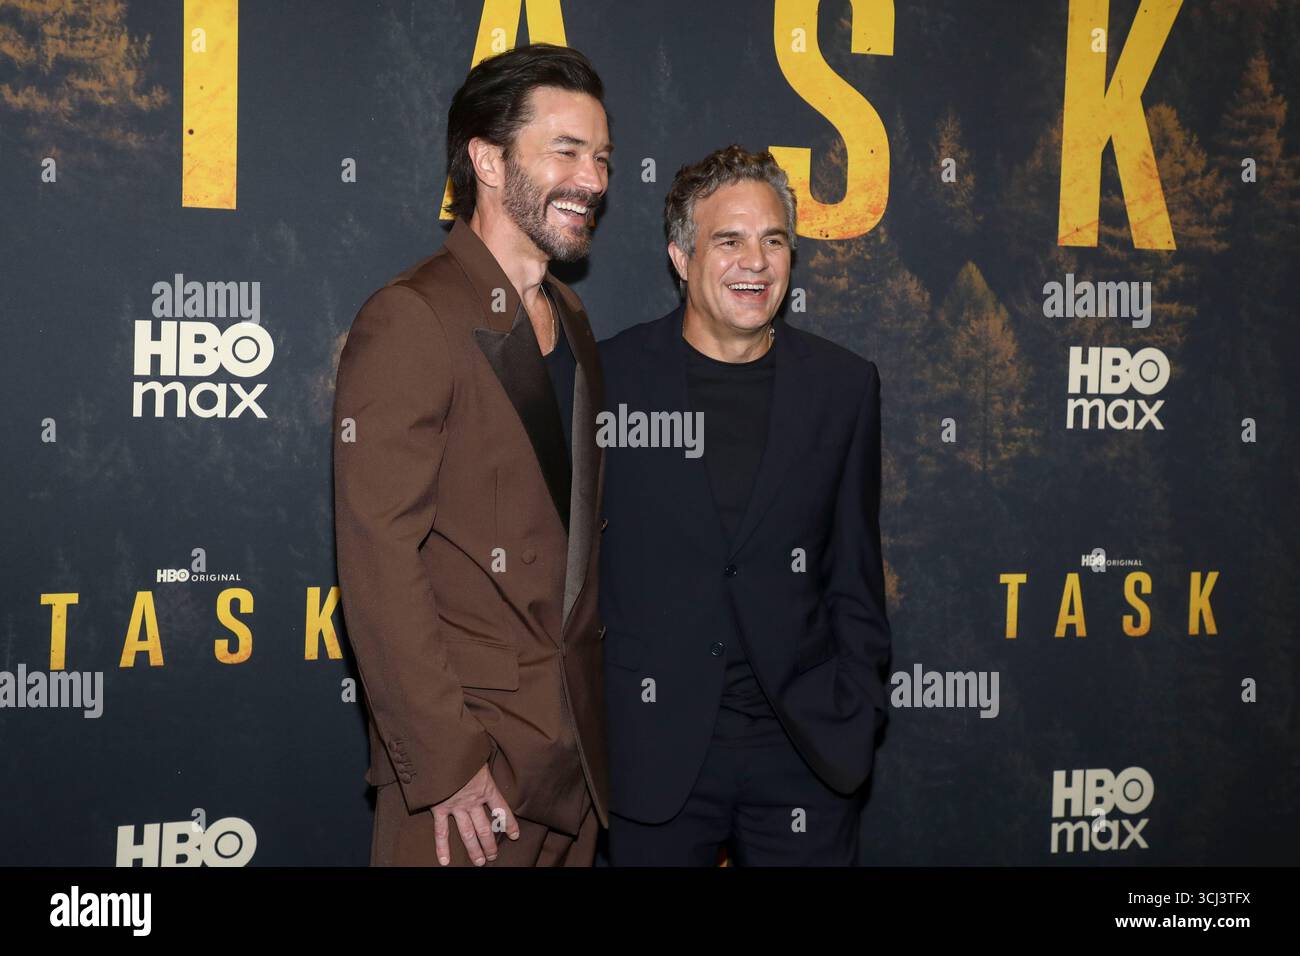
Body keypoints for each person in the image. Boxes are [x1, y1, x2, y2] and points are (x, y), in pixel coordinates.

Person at [332, 43, 612, 867]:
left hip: (576, 765)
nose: (593, 179)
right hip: (469, 778)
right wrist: (446, 765)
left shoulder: (574, 320)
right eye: (565, 151)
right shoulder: (413, 316)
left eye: (601, 157)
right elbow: (379, 558)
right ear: (487, 160)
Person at [598, 145, 891, 865]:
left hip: (803, 753)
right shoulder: (606, 379)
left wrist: (856, 707)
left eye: (774, 241)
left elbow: (854, 570)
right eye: (729, 241)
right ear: (680, 255)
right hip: (650, 755)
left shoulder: (842, 387)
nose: (755, 262)